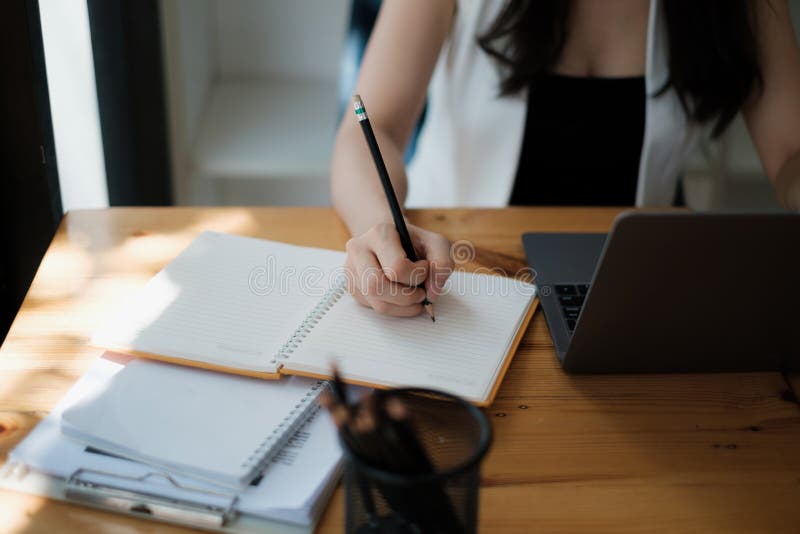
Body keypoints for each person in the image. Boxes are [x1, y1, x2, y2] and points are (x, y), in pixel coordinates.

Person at [331, 0, 800, 317]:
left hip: (636, 292)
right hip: (460, 275)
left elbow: (791, 153)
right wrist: (379, 229)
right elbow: (370, 130)